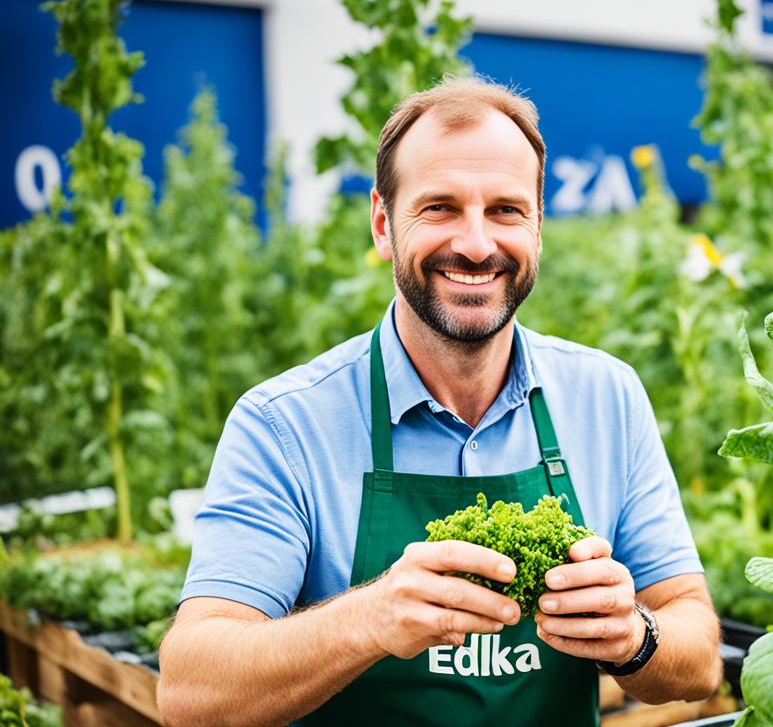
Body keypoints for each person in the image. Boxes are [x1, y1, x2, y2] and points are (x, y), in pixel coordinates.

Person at [156, 77, 721, 726]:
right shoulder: (285, 424)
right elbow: (189, 694)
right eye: (440, 208)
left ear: (538, 227)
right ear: (382, 224)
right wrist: (370, 618)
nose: (477, 244)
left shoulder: (605, 397)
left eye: (506, 210)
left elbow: (700, 658)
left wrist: (634, 637)